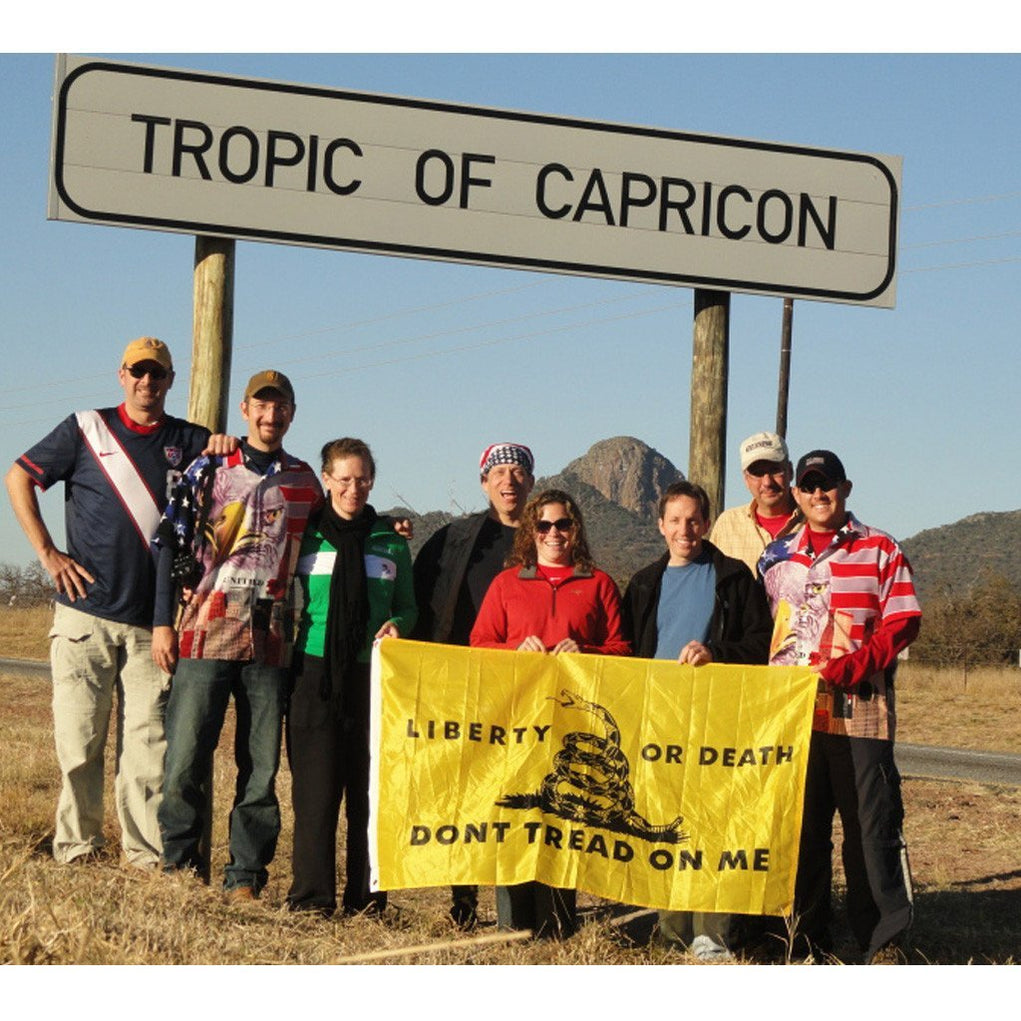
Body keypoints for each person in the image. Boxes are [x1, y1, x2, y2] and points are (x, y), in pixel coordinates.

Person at [4, 337, 210, 868]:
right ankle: (78, 849)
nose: (148, 382)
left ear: (170, 379)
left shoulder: (192, 440)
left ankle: (143, 859)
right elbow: (19, 476)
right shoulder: (84, 428)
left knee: (147, 754)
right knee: (79, 744)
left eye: (158, 374)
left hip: (153, 624)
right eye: (138, 372)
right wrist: (48, 554)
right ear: (121, 375)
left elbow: (236, 484)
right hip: (84, 617)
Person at [152, 369, 322, 899]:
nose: (272, 416)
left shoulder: (304, 481)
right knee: (184, 758)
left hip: (270, 639)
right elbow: (168, 542)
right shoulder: (211, 465)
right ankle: (179, 864)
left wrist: (389, 529)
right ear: (246, 410)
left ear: (292, 412)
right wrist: (162, 621)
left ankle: (245, 876)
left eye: (282, 407)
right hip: (205, 630)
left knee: (261, 768)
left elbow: (332, 535)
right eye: (262, 406)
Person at [758, 450, 922, 964]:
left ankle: (881, 941)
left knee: (868, 832)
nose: (817, 494)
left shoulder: (880, 548)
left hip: (861, 716)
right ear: (797, 495)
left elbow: (904, 620)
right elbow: (766, 633)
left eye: (826, 484)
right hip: (797, 719)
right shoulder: (776, 557)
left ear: (845, 488)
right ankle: (803, 937)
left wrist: (856, 665)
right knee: (802, 833)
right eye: (808, 486)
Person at [620, 480, 773, 961]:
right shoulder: (645, 582)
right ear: (660, 524)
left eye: (693, 520)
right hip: (660, 722)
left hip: (717, 722)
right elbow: (626, 654)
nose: (684, 529)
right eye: (675, 520)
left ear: (706, 524)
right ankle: (671, 927)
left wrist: (717, 653)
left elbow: (759, 645)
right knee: (663, 824)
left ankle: (714, 932)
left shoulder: (733, 577)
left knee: (714, 825)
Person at [471, 488, 629, 938]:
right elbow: (479, 646)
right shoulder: (506, 585)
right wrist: (513, 649)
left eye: (563, 524)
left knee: (565, 817)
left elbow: (623, 651)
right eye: (543, 525)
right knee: (516, 817)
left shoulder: (599, 583)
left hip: (572, 731)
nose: (554, 533)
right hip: (517, 726)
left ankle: (559, 919)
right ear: (530, 531)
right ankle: (514, 923)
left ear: (575, 528)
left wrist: (588, 650)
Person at [286, 437, 417, 917]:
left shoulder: (390, 541)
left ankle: (366, 901)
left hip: (373, 677)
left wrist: (399, 625)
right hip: (314, 673)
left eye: (362, 479)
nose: (353, 488)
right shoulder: (305, 535)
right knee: (315, 797)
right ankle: (310, 899)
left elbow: (408, 605)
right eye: (343, 478)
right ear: (326, 480)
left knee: (368, 794)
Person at [412, 440, 535, 928]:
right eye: (499, 473)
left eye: (517, 473)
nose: (509, 481)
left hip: (526, 689)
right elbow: (423, 598)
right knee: (465, 793)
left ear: (530, 481)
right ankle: (462, 901)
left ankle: (517, 906)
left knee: (519, 795)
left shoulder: (544, 534)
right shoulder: (454, 539)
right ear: (484, 483)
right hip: (466, 682)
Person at [709, 431, 801, 574]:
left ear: (790, 471)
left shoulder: (814, 522)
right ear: (746, 479)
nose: (767, 482)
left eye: (775, 471)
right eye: (757, 473)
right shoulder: (727, 525)